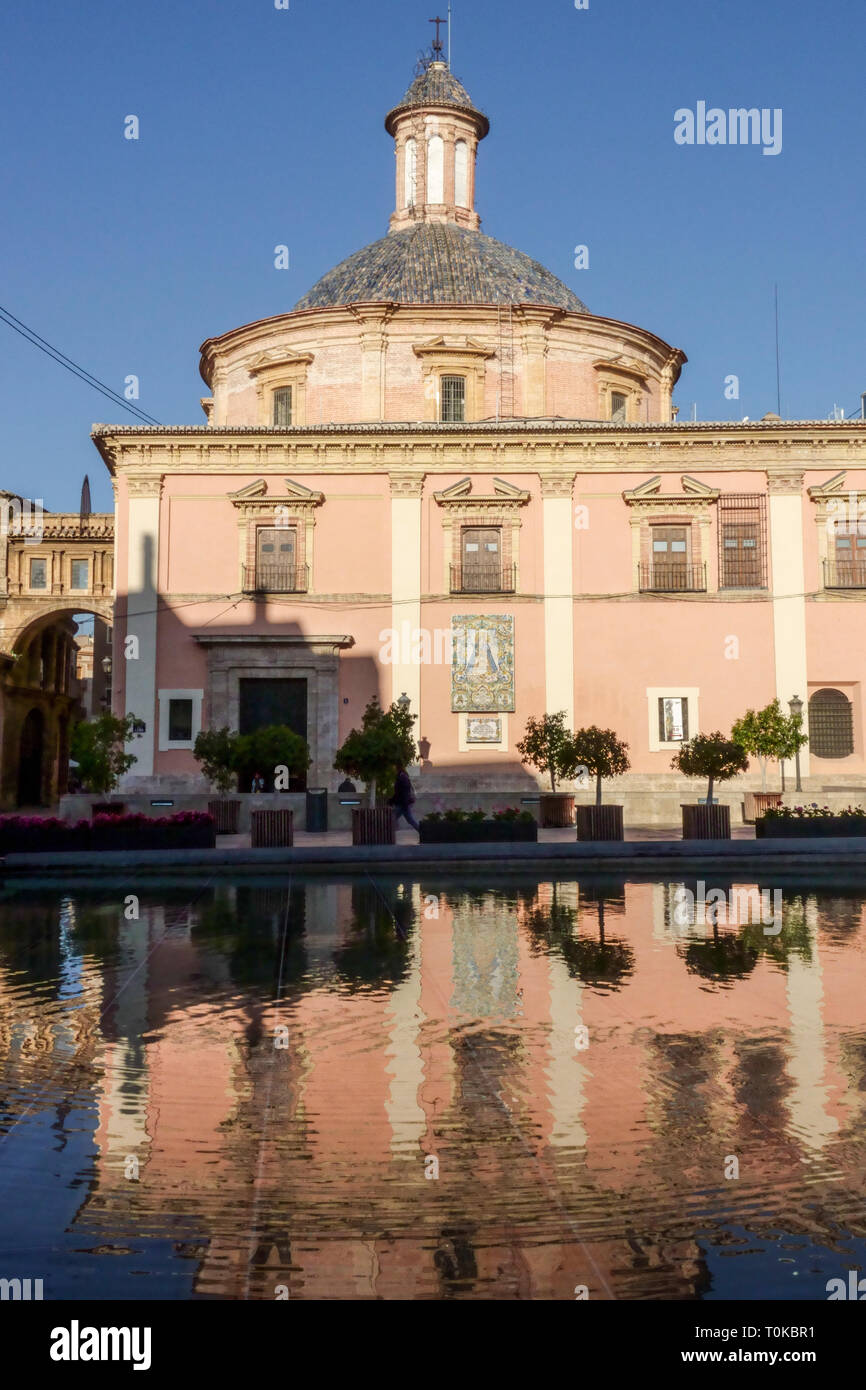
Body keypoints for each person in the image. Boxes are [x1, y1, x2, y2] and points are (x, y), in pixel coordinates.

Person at [390, 761, 420, 834]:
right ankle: (423, 832)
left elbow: (404, 791)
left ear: (397, 767)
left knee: (392, 819)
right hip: (402, 803)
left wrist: (404, 803)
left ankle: (424, 833)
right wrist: (392, 800)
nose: (392, 768)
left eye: (393, 766)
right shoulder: (400, 776)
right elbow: (399, 792)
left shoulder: (402, 777)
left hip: (403, 803)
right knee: (409, 819)